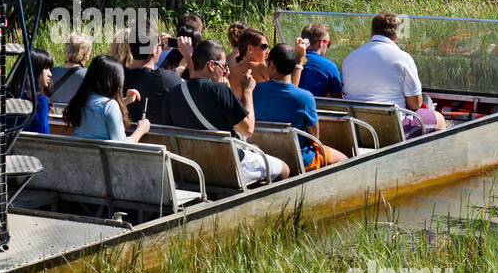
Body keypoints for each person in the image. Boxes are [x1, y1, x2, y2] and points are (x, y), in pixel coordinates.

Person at [153, 39, 289, 183]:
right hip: (229, 166)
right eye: (223, 65)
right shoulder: (221, 91)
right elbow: (247, 130)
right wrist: (247, 91)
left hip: (190, 167)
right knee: (284, 169)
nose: (226, 71)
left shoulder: (172, 94)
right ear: (211, 65)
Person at [342, 11, 447, 137]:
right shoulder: (403, 58)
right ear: (396, 36)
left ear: (372, 33)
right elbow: (415, 104)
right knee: (439, 120)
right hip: (391, 127)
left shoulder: (350, 58)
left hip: (357, 127)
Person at [253, 44, 348, 169]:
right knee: (345, 160)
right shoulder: (305, 97)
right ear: (294, 67)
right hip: (298, 160)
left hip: (265, 157)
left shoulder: (254, 90)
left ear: (271, 64)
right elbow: (315, 137)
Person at [65, 55, 152, 143]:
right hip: (100, 156)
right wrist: (141, 129)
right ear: (115, 80)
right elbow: (122, 145)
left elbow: (101, 112)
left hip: (79, 155)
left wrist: (126, 101)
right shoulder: (110, 106)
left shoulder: (81, 100)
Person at [123, 18, 182, 122]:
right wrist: (189, 56)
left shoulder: (117, 75)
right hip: (157, 137)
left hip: (122, 136)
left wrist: (154, 44)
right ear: (153, 50)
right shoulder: (165, 79)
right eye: (160, 45)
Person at [12, 48, 54, 133]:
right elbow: (43, 134)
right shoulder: (39, 101)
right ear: (34, 70)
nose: (50, 74)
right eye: (46, 68)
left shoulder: (8, 96)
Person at [298, 21, 343, 99]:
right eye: (328, 44)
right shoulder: (329, 66)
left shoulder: (289, 59)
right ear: (321, 43)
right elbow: (339, 100)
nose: (327, 48)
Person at [49, 32, 92, 105]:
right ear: (86, 54)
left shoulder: (50, 73)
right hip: (74, 116)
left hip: (52, 115)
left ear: (66, 49)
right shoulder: (89, 76)